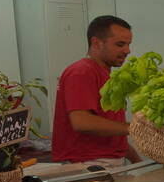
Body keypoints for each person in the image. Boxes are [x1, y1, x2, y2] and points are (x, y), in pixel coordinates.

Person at [51, 16, 140, 164]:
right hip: (88, 165)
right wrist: (135, 128)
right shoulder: (82, 72)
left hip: (108, 162)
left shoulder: (106, 75)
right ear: (96, 43)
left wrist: (135, 159)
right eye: (120, 44)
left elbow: (110, 130)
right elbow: (82, 122)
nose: (127, 50)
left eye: (128, 44)